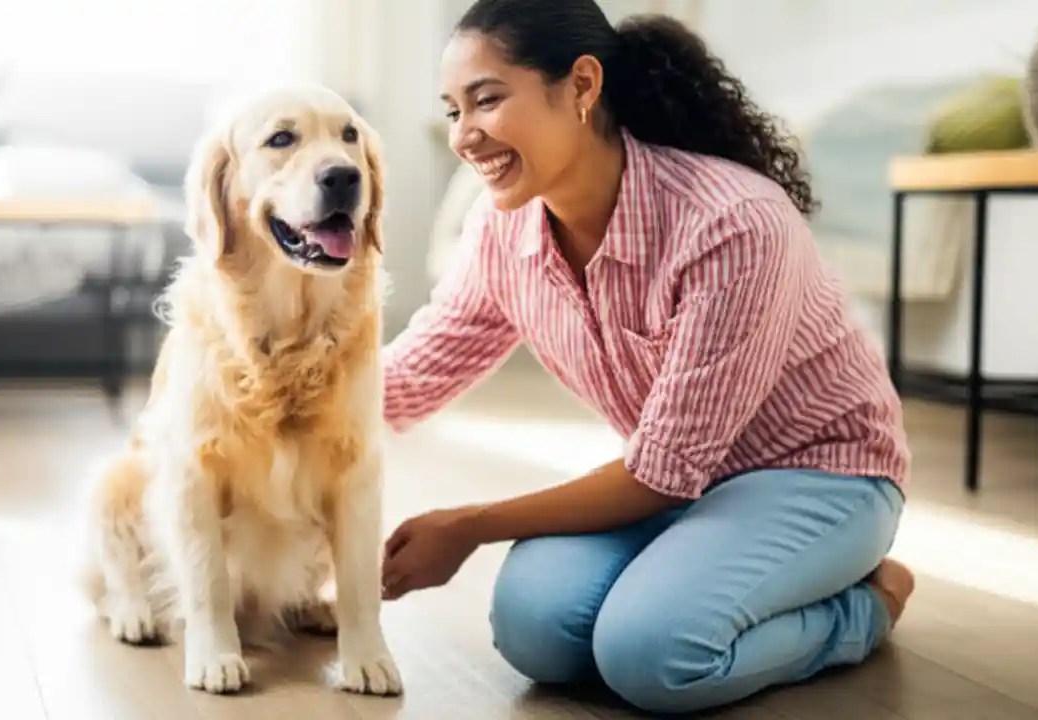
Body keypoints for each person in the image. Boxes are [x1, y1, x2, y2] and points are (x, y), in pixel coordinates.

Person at [377, 0, 916, 714]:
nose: (464, 137)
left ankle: (867, 602)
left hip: (820, 474)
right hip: (677, 484)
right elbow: (410, 376)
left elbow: (662, 470)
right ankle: (713, 578)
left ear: (581, 87)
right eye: (452, 111)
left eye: (487, 99)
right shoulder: (501, 231)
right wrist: (239, 395)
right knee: (534, 633)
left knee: (653, 657)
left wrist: (468, 524)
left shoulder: (731, 223)